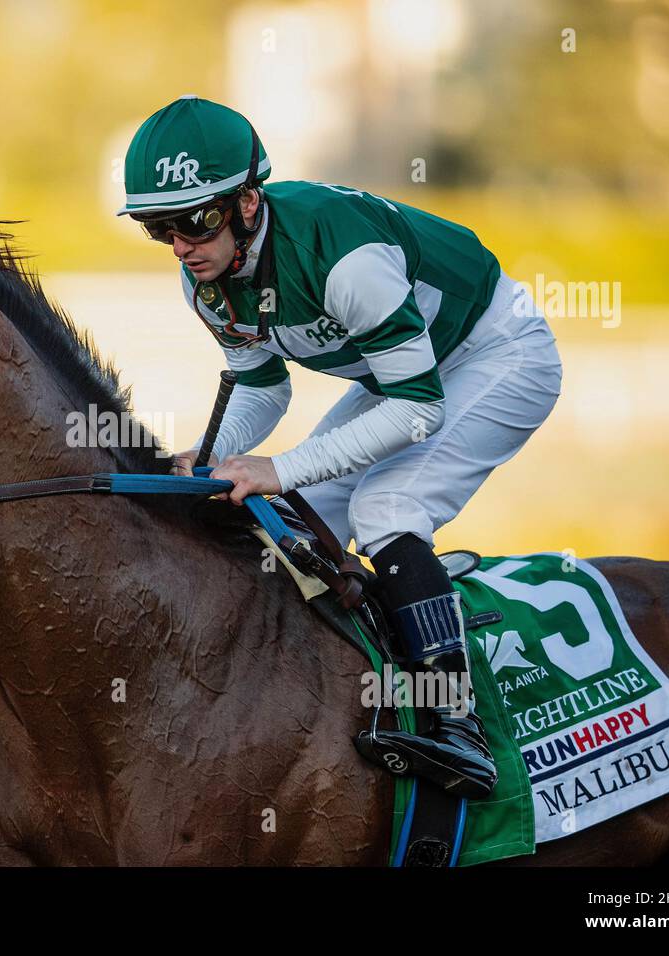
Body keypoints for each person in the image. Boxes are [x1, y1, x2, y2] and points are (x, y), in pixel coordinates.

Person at [115, 95, 563, 798]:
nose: (181, 244)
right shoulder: (205, 280)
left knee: (388, 506)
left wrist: (279, 467)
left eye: (196, 220)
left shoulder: (343, 257)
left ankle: (457, 723)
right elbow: (261, 390)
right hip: (411, 373)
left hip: (497, 352)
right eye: (158, 228)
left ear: (248, 202)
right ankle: (351, 674)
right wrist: (204, 456)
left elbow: (417, 411)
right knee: (296, 520)